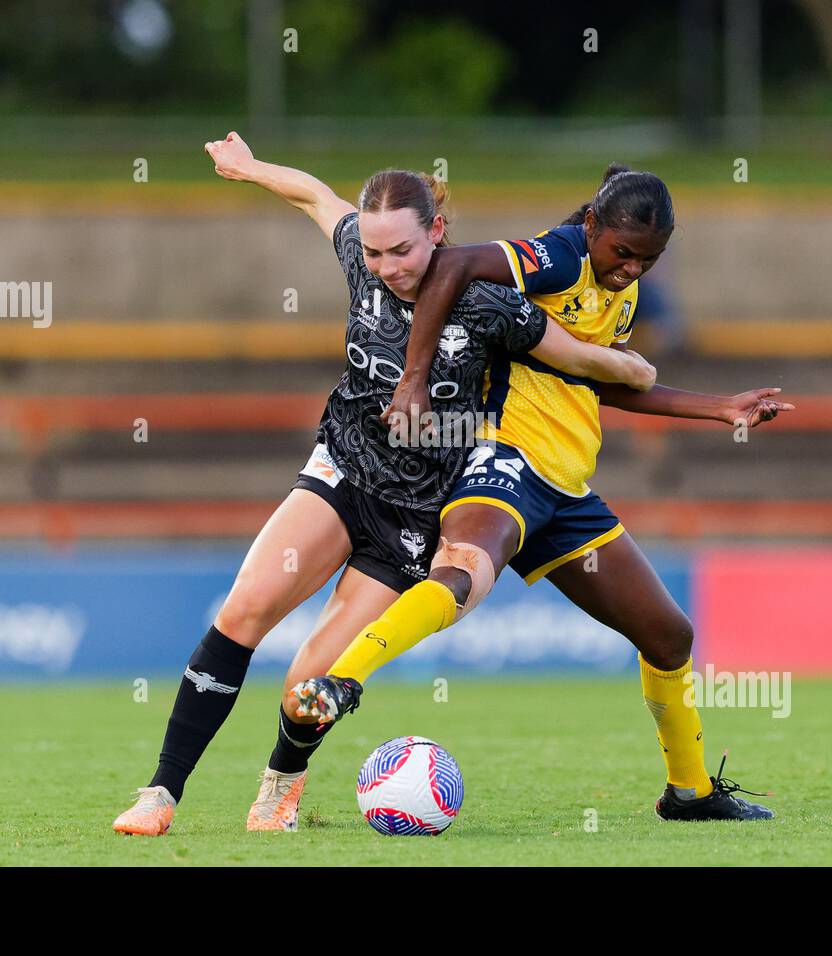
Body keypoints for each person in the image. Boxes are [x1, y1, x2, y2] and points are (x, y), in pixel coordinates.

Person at [111, 136, 656, 835]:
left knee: (313, 674)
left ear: (437, 232)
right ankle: (160, 794)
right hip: (342, 469)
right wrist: (248, 170)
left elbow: (577, 357)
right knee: (245, 609)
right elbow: (315, 195)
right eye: (373, 253)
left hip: (418, 514)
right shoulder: (358, 258)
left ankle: (280, 783)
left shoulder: (492, 304)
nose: (386, 267)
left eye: (401, 251)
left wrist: (634, 372)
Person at [291, 164, 793, 821]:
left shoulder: (619, 289)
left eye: (649, 258)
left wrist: (720, 408)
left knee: (669, 636)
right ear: (592, 227)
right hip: (501, 457)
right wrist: (413, 379)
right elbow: (451, 268)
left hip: (564, 485)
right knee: (466, 570)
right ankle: (342, 679)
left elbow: (601, 380)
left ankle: (690, 793)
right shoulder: (558, 254)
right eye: (623, 253)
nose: (632, 269)